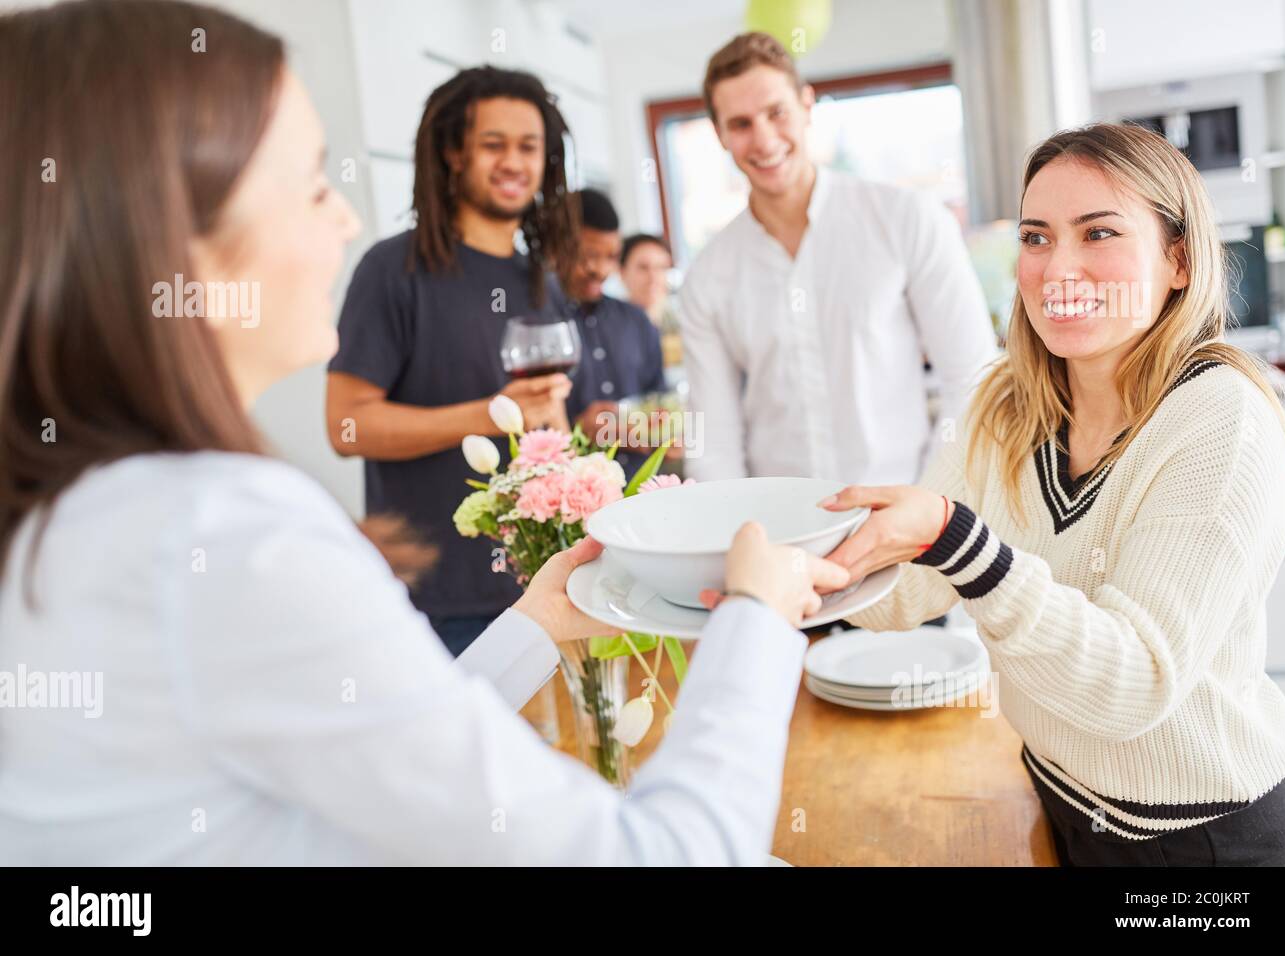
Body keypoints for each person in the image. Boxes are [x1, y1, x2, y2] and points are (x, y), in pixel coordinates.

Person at [0, 0, 850, 867]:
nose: (340, 219)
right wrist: (758, 614)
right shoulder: (222, 535)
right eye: (311, 184)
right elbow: (665, 855)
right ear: (166, 228)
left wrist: (534, 622)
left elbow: (369, 755)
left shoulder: (99, 512)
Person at [719, 123, 1285, 865]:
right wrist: (761, 573)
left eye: (1098, 234)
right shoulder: (1010, 401)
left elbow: (1134, 684)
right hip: (1059, 800)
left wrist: (963, 545)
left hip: (1204, 840)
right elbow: (908, 589)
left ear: (1179, 259)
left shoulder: (1221, 418)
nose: (1058, 267)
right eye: (1036, 237)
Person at [325, 65, 575, 656]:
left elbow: (551, 425)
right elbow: (345, 425)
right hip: (435, 604)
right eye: (494, 144)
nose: (514, 162)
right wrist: (490, 415)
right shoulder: (393, 270)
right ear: (453, 154)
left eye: (528, 146)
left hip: (542, 591)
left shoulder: (542, 281)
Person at [681, 32, 997, 486]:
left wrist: (927, 507)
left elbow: (972, 382)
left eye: (776, 112)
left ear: (807, 105)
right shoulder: (708, 277)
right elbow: (714, 441)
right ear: (720, 134)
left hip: (909, 522)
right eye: (741, 123)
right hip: (778, 534)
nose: (765, 139)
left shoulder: (907, 219)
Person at [560, 190, 670, 468]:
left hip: (640, 485)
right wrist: (577, 428)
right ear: (557, 244)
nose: (601, 269)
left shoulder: (637, 322)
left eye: (611, 257)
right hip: (566, 492)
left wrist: (664, 430)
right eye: (588, 255)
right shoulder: (539, 322)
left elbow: (658, 400)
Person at [620, 233, 686, 387]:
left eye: (661, 268)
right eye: (643, 268)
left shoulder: (687, 320)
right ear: (622, 272)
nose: (653, 277)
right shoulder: (610, 330)